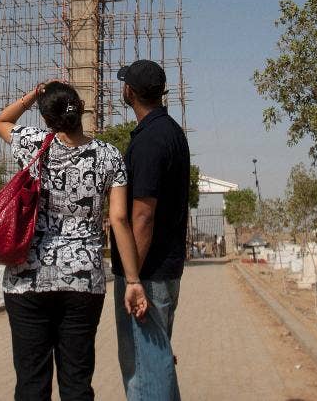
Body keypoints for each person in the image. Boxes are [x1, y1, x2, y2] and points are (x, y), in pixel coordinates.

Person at [0, 81, 149, 401]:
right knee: (77, 381)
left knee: (31, 382)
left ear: (47, 120)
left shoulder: (34, 143)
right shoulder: (109, 156)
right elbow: (119, 220)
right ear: (80, 107)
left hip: (27, 280)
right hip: (83, 281)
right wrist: (133, 280)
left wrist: (34, 96)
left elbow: (1, 121)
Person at [111, 59, 191, 401]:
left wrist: (133, 279)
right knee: (156, 363)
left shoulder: (149, 142)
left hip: (147, 275)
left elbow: (142, 217)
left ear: (129, 91)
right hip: (164, 269)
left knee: (144, 372)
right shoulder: (171, 131)